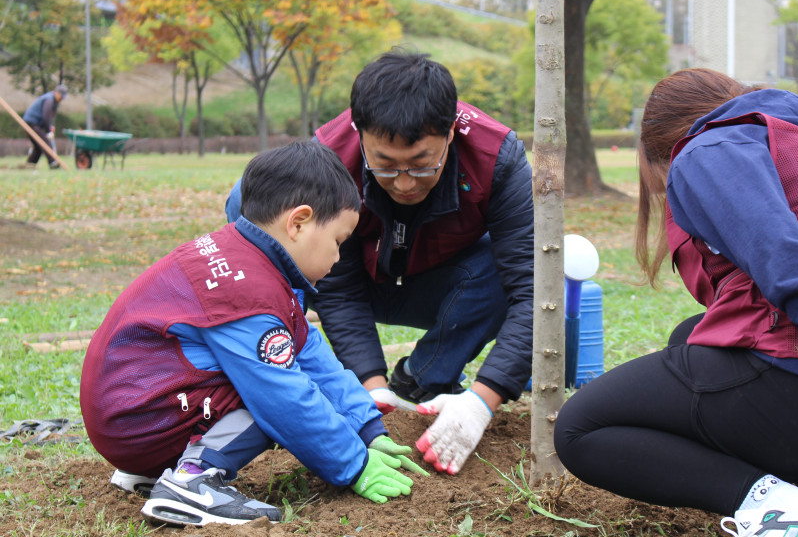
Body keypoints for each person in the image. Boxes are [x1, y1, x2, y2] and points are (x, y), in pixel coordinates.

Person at [554, 67, 798, 537]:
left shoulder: (708, 148)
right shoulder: (796, 142)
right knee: (688, 337)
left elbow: (784, 252)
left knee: (581, 429)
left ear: (659, 152)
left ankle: (789, 514)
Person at [81, 141, 426, 527]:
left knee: (276, 375)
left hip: (133, 413)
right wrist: (355, 465)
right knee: (269, 393)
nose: (337, 258)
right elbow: (285, 399)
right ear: (298, 223)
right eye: (338, 242)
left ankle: (158, 469)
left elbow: (309, 351)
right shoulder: (248, 294)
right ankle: (193, 480)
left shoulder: (246, 258)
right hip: (140, 421)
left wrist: (366, 428)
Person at [226, 50, 534, 476]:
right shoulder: (334, 155)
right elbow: (338, 286)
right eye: (385, 166)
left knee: (528, 263)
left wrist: (484, 398)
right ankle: (283, 367)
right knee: (246, 198)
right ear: (360, 132)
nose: (404, 183)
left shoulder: (496, 157)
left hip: (446, 286)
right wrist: (370, 388)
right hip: (354, 281)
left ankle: (423, 380)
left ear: (449, 135)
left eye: (422, 166)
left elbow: (532, 288)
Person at [21, 84, 66, 169]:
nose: (61, 99)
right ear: (56, 92)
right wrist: (48, 131)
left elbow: (48, 117)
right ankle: (52, 163)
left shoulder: (52, 99)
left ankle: (29, 165)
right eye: (61, 96)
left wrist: (49, 127)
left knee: (38, 147)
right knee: (45, 142)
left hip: (33, 123)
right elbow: (45, 116)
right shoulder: (49, 100)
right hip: (31, 122)